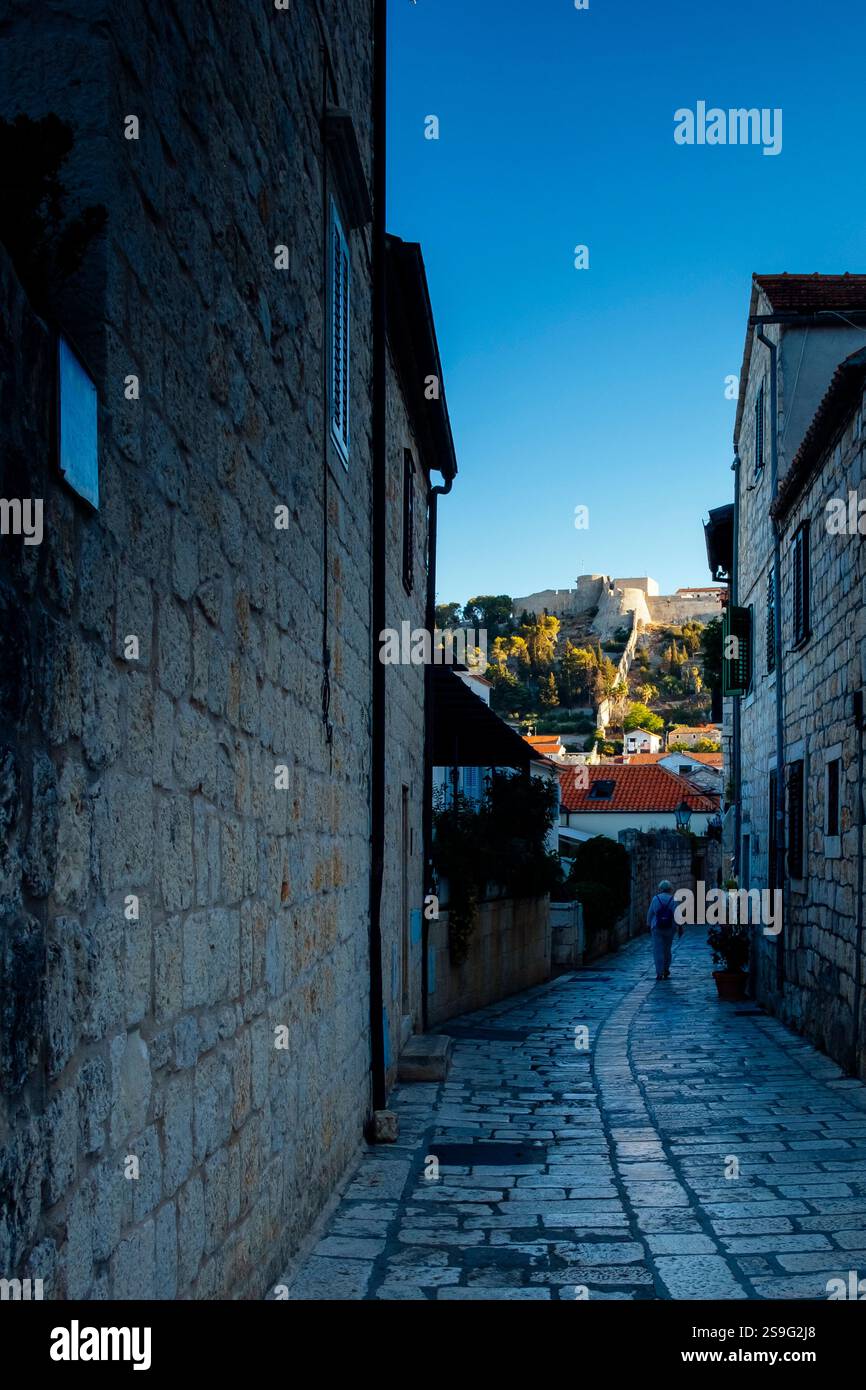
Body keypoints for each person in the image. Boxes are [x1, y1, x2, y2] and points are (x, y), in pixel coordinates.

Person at [647, 879, 683, 980]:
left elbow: (650, 913)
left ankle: (659, 972)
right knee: (667, 949)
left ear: (660, 889)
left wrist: (648, 925)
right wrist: (680, 927)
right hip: (669, 928)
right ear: (670, 889)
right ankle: (666, 969)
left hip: (656, 927)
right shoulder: (673, 900)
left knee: (657, 950)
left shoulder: (655, 899)